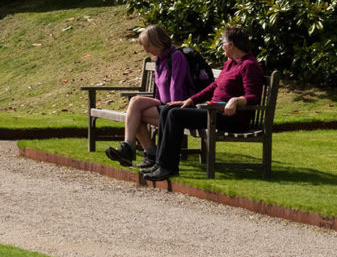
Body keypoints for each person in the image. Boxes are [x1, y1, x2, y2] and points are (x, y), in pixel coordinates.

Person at [139, 26, 266, 181]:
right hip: (214, 112)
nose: (222, 46)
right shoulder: (230, 64)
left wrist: (235, 100)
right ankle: (161, 164)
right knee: (167, 110)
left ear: (231, 45)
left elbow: (253, 96)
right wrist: (191, 100)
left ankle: (167, 167)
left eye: (223, 43)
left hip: (231, 118)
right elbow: (213, 87)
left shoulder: (249, 65)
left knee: (175, 115)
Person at [104, 25, 195, 168]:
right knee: (135, 103)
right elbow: (159, 88)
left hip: (178, 107)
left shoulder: (176, 56)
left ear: (158, 41)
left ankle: (146, 153)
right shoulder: (158, 59)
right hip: (164, 104)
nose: (146, 50)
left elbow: (175, 85)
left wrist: (172, 109)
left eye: (148, 46)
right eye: (144, 47)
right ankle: (132, 148)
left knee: (134, 115)